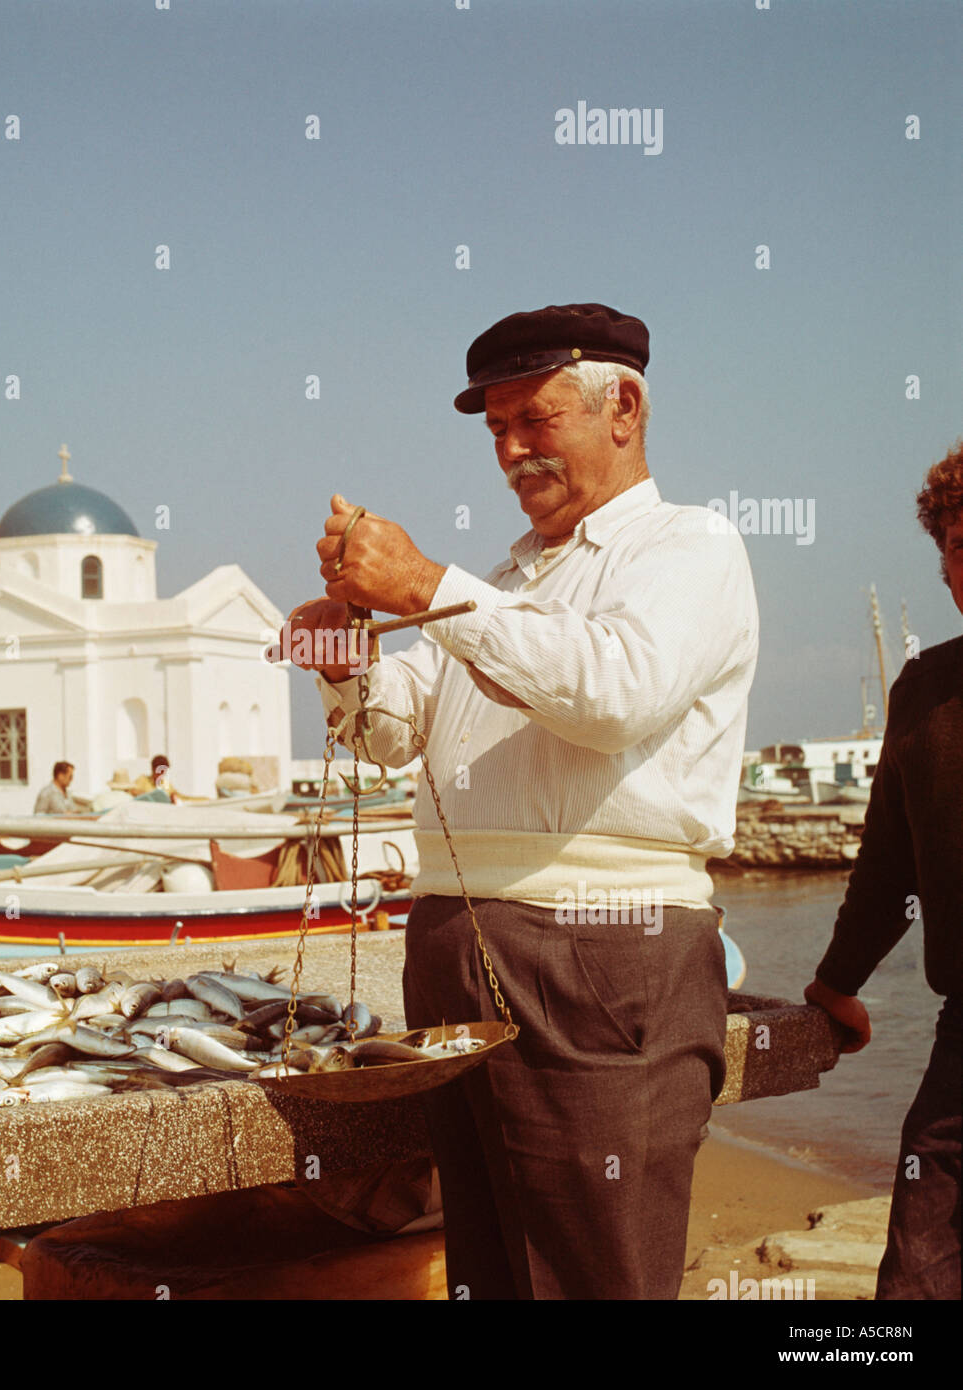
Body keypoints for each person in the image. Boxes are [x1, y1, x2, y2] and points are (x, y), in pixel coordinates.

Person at [280, 302, 759, 1299]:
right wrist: (343, 655)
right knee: (491, 1271)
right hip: (458, 946)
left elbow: (610, 692)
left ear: (621, 407)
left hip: (600, 953)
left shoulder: (689, 546)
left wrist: (421, 585)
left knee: (592, 1274)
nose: (508, 450)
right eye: (495, 429)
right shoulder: (506, 576)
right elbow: (392, 728)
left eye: (532, 420)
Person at [803, 440, 963, 1301]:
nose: (957, 566)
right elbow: (887, 872)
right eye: (955, 546)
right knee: (915, 1272)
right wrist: (834, 982)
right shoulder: (922, 693)